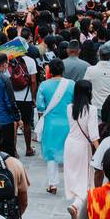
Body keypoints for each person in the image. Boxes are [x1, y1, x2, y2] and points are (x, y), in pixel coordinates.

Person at [34, 58, 73, 194]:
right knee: (68, 153)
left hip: (50, 123)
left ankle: (53, 183)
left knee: (51, 154)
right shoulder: (71, 84)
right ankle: (71, 182)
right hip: (68, 123)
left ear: (49, 70)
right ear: (63, 70)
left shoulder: (44, 85)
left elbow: (40, 106)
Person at [63, 79, 99, 217]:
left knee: (74, 176)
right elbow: (94, 135)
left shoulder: (69, 107)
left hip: (70, 144)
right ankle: (76, 205)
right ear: (89, 92)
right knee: (86, 178)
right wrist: (100, 152)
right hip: (83, 146)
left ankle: (77, 204)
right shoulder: (92, 110)